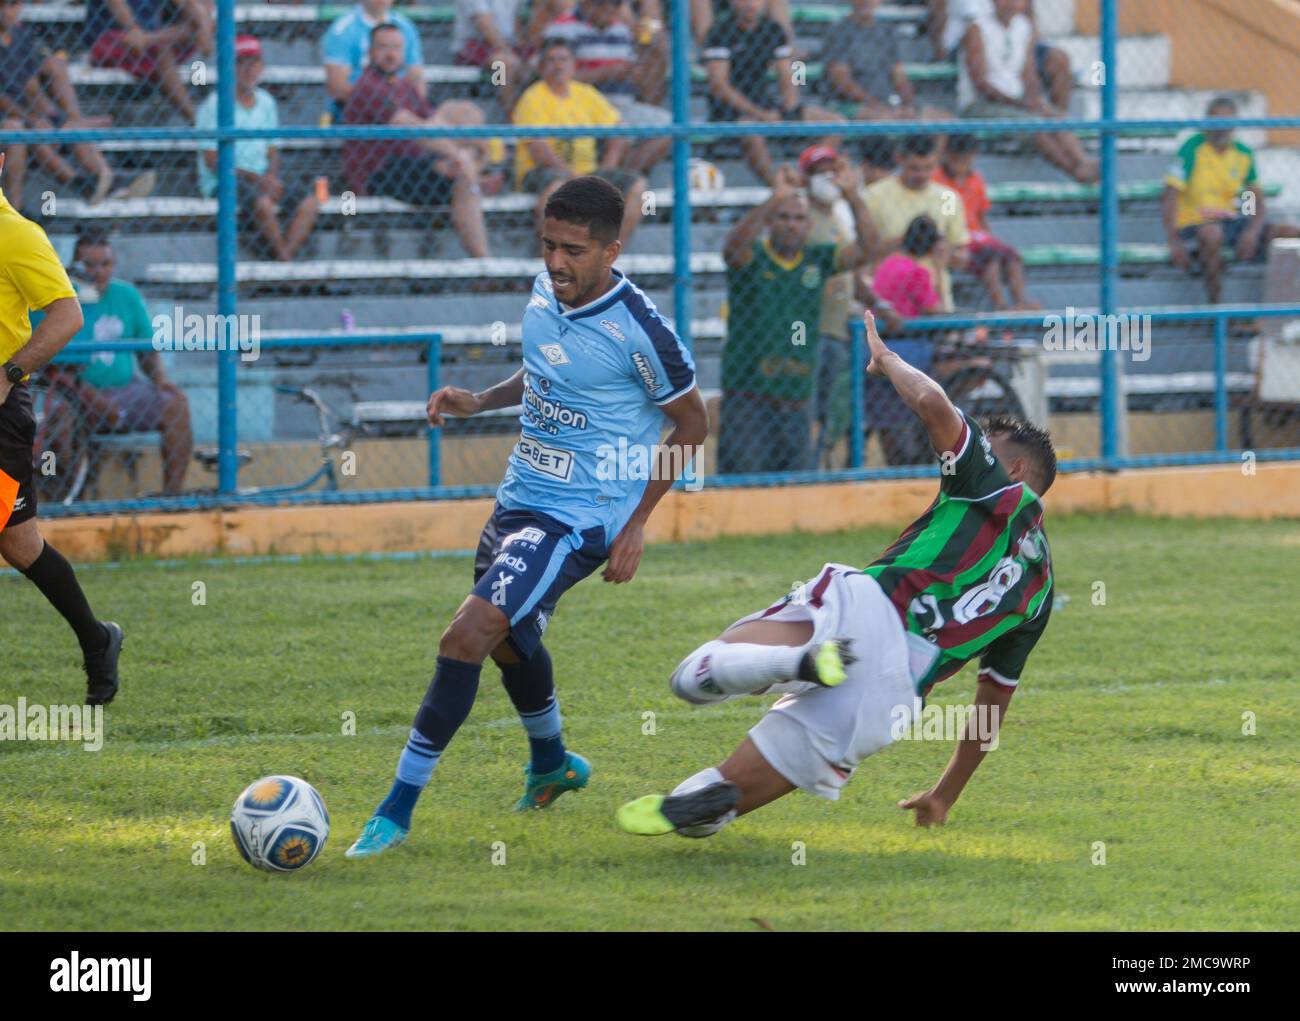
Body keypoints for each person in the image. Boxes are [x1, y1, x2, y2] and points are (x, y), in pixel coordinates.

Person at [345, 176, 709, 859]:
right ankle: (552, 763)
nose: (556, 262)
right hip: (519, 497)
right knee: (511, 640)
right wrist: (479, 400)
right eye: (548, 245)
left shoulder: (640, 329)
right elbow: (546, 370)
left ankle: (394, 810)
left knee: (468, 634)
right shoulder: (546, 292)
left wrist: (636, 522)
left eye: (573, 249)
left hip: (582, 516)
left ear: (611, 250)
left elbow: (693, 421)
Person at [616, 309, 1056, 840]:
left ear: (1017, 470)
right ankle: (719, 793)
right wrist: (944, 794)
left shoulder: (993, 484)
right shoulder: (1041, 591)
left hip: (870, 610)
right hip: (893, 695)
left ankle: (793, 662)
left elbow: (933, 403)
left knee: (693, 676)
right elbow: (992, 706)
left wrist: (886, 358)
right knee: (712, 807)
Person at [0, 146, 124, 705]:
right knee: (20, 545)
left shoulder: (17, 234)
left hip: (1, 413)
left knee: (19, 544)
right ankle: (98, 640)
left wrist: (9, 372)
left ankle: (98, 641)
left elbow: (67, 314)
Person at [719, 165, 876, 475]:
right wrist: (773, 199)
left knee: (795, 485)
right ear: (770, 222)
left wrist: (853, 197)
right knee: (745, 484)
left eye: (799, 219)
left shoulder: (816, 259)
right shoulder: (754, 258)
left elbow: (868, 249)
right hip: (749, 397)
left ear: (809, 225)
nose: (792, 225)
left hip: (796, 398)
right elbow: (732, 248)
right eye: (784, 217)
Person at [54, 230, 193, 495]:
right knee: (61, 420)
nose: (98, 272)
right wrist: (85, 393)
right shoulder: (62, 296)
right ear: (74, 266)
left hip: (125, 391)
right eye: (89, 265)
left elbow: (146, 350)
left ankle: (171, 498)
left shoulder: (126, 295)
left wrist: (160, 379)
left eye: (105, 264)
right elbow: (53, 365)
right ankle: (73, 499)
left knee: (176, 405)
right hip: (72, 393)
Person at [342, 24, 494, 259]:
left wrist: (457, 151)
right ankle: (484, 261)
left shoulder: (404, 85)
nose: (390, 54)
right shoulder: (368, 86)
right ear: (370, 51)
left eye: (396, 47)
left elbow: (433, 121)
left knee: (463, 111)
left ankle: (471, 170)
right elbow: (414, 129)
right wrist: (458, 155)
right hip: (378, 173)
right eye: (383, 47)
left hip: (412, 164)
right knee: (463, 173)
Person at [0, 0, 154, 209]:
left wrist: (53, 117)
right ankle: (77, 184)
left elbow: (32, 87)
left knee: (68, 125)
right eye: (3, 6)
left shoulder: (20, 35)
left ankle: (105, 178)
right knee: (22, 129)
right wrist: (32, 119)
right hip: (9, 121)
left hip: (25, 115)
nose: (8, 12)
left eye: (13, 5)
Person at [1164, 96, 1300, 305]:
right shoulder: (1192, 149)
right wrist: (1174, 240)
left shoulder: (1242, 153)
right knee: (1212, 233)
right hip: (1195, 223)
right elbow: (1169, 196)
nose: (1222, 127)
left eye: (1227, 120)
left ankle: (1279, 311)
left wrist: (1251, 231)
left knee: (1289, 233)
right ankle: (1216, 310)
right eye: (1216, 119)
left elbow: (1253, 200)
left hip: (1232, 223)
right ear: (1206, 121)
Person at [195, 36, 320, 262]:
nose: (249, 70)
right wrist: (257, 178)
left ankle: (286, 256)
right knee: (261, 203)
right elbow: (212, 161)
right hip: (225, 180)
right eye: (242, 63)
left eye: (254, 63)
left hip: (261, 178)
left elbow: (272, 149)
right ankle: (285, 260)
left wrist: (270, 177)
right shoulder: (214, 104)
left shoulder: (266, 102)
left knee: (311, 201)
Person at [512, 38, 647, 243]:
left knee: (639, 186)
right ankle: (549, 256)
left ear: (574, 65)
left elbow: (619, 128)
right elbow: (540, 152)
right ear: (540, 68)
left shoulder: (585, 93)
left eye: (564, 60)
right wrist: (574, 176)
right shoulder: (532, 97)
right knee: (556, 187)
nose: (558, 65)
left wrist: (608, 166)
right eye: (551, 60)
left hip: (587, 172)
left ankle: (609, 252)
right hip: (542, 172)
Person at [702, 0, 843, 187]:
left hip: (767, 102)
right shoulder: (719, 32)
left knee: (835, 123)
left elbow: (788, 72)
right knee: (751, 133)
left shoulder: (773, 29)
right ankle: (777, 187)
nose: (750, 4)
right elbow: (719, 86)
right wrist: (760, 114)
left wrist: (790, 104)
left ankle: (805, 180)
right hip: (730, 110)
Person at [957, 0, 1098, 183]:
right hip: (981, 105)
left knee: (1055, 117)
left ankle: (1082, 162)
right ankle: (1075, 171)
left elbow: (1028, 75)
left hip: (1015, 102)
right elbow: (981, 83)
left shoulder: (1023, 28)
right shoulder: (976, 29)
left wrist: (1036, 100)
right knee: (1034, 125)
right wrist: (1020, 103)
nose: (1011, 4)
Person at [543, 0, 671, 173]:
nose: (611, 9)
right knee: (621, 132)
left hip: (621, 105)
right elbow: (553, 78)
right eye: (604, 4)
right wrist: (609, 73)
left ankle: (625, 176)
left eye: (616, 4)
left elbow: (638, 75)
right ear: (587, 4)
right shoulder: (563, 28)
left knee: (669, 125)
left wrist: (651, 57)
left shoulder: (623, 30)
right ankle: (615, 180)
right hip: (580, 107)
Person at [862, 134, 969, 313]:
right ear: (899, 159)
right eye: (914, 168)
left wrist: (945, 251)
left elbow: (961, 255)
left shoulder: (947, 198)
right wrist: (903, 242)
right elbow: (865, 251)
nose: (922, 175)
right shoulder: (874, 196)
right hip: (891, 301)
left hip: (935, 299)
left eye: (928, 168)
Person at [936, 133, 1037, 310]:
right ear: (947, 155)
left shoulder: (975, 178)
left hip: (978, 237)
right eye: (957, 160)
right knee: (990, 260)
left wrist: (988, 237)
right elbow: (947, 220)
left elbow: (982, 214)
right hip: (957, 238)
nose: (961, 165)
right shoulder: (940, 181)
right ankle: (1001, 306)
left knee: (1011, 257)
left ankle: (1021, 302)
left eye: (966, 160)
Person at [82, 0, 212, 124]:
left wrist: (203, 25)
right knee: (161, 51)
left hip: (149, 40)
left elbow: (190, 5)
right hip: (109, 38)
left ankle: (149, 39)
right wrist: (133, 28)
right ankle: (195, 119)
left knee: (190, 29)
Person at [930, 0, 1073, 113]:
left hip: (1010, 34)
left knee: (1059, 59)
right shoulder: (976, 27)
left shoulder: (1022, 26)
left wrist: (1027, 41)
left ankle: (1058, 116)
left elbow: (1028, 12)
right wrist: (939, 47)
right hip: (968, 39)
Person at [822, 0, 948, 124]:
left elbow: (899, 75)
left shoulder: (886, 31)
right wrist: (876, 105)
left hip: (888, 103)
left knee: (943, 119)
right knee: (883, 120)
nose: (867, 1)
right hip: (850, 104)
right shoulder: (839, 31)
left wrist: (909, 105)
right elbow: (842, 81)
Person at [452, 0, 551, 114]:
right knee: (504, 64)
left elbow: (515, 20)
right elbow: (484, 25)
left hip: (509, 44)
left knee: (540, 61)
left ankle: (541, 113)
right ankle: (511, 115)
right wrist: (507, 50)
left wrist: (521, 46)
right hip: (474, 45)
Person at [323, 0, 424, 109]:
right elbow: (338, 87)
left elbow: (417, 79)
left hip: (401, 106)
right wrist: (383, 106)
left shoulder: (405, 26)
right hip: (357, 110)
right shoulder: (343, 29)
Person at [873, 215, 945, 317]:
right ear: (931, 247)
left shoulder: (889, 262)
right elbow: (936, 310)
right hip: (904, 330)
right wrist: (939, 268)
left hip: (883, 327)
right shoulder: (917, 272)